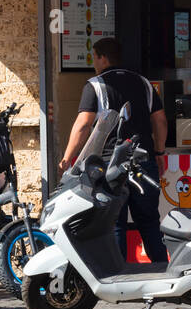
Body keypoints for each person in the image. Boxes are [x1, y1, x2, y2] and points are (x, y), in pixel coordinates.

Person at [60, 36, 169, 264]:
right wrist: (159, 151)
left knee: (113, 223)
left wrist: (68, 157)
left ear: (101, 57)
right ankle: (161, 270)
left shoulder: (96, 85)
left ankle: (117, 275)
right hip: (143, 162)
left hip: (110, 166)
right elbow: (160, 121)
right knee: (149, 221)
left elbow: (83, 125)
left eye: (95, 57)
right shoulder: (144, 83)